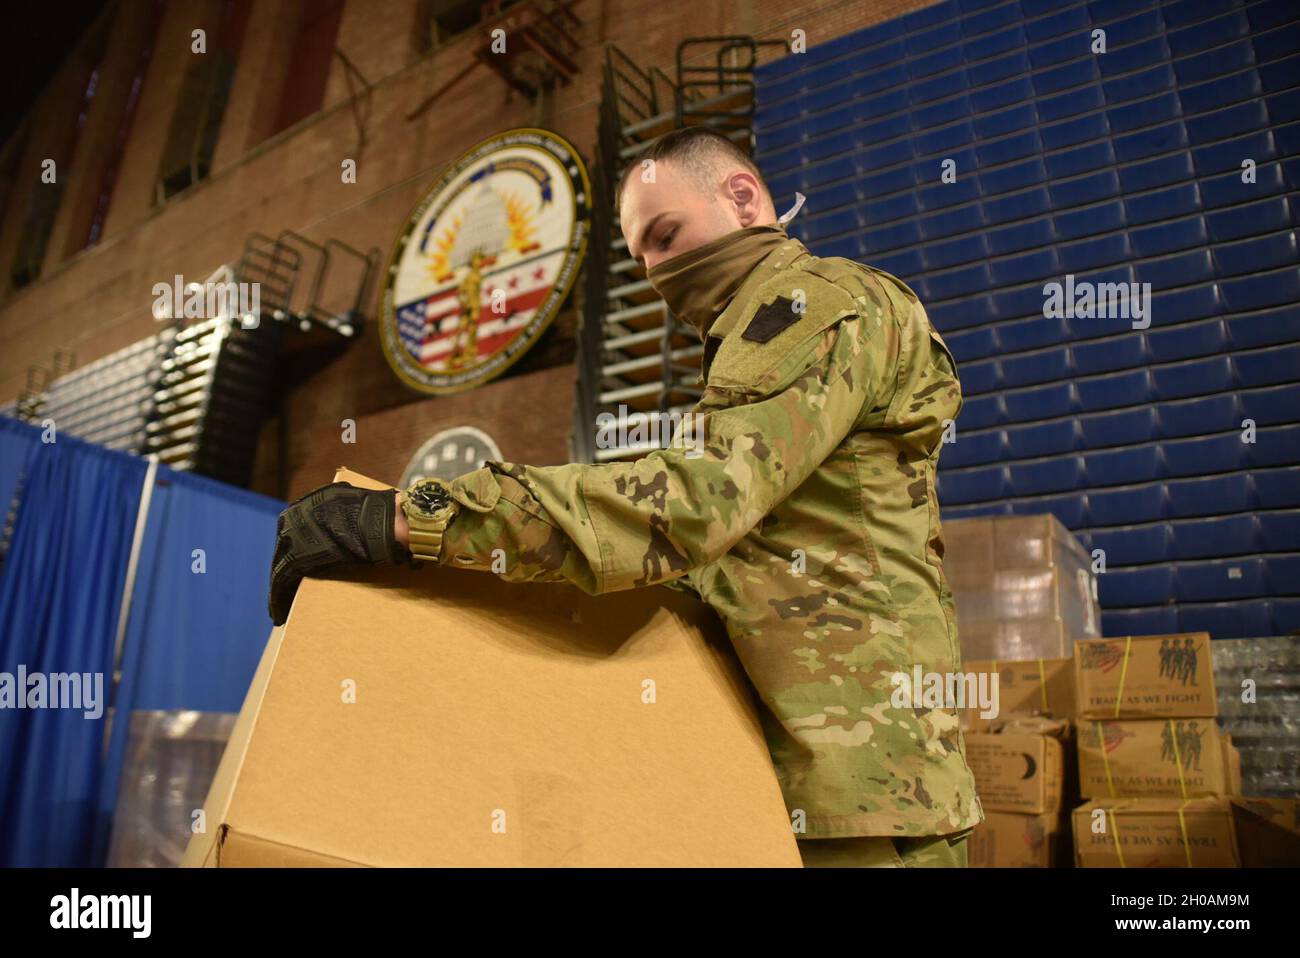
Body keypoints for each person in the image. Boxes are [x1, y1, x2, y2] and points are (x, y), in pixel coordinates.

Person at [269, 126, 983, 867]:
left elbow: (691, 504)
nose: (657, 272)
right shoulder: (754, 347)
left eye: (667, 235)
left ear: (741, 198)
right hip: (806, 787)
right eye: (642, 256)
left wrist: (414, 520)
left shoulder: (816, 308)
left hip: (866, 797)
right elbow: (714, 557)